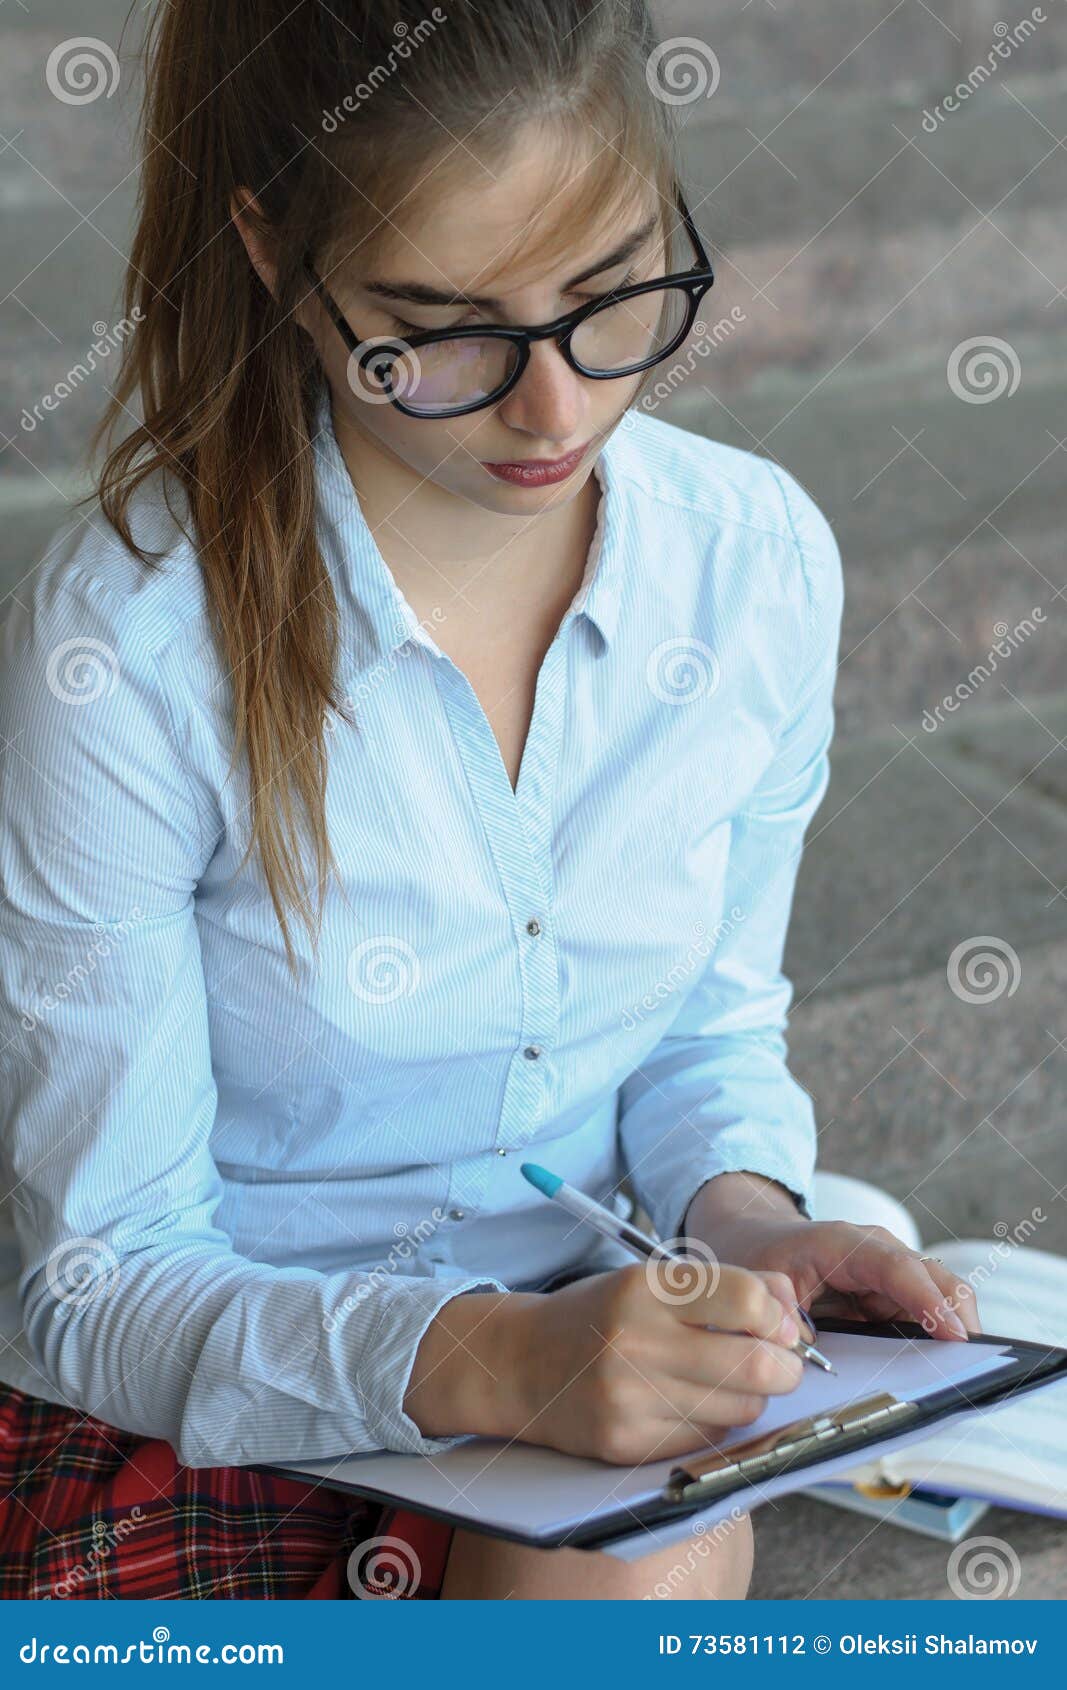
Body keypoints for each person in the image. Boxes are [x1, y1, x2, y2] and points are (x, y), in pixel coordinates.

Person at [0, 0, 978, 1601]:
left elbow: (704, 1040)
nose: (557, 414)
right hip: (242, 1391)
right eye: (440, 325)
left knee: (652, 1543)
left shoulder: (752, 561)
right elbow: (103, 1287)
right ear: (272, 255)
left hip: (609, 1320)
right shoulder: (123, 654)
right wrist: (500, 1360)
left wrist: (746, 1219)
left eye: (609, 295)